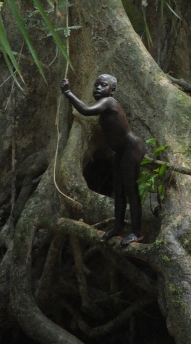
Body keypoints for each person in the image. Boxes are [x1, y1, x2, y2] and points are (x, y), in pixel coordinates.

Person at [61, 74, 145, 246]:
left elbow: (86, 110)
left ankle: (137, 232)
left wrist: (68, 93)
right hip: (121, 151)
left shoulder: (109, 102)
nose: (98, 88)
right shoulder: (105, 105)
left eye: (103, 85)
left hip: (132, 148)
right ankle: (118, 227)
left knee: (131, 190)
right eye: (96, 85)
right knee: (118, 191)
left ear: (112, 90)